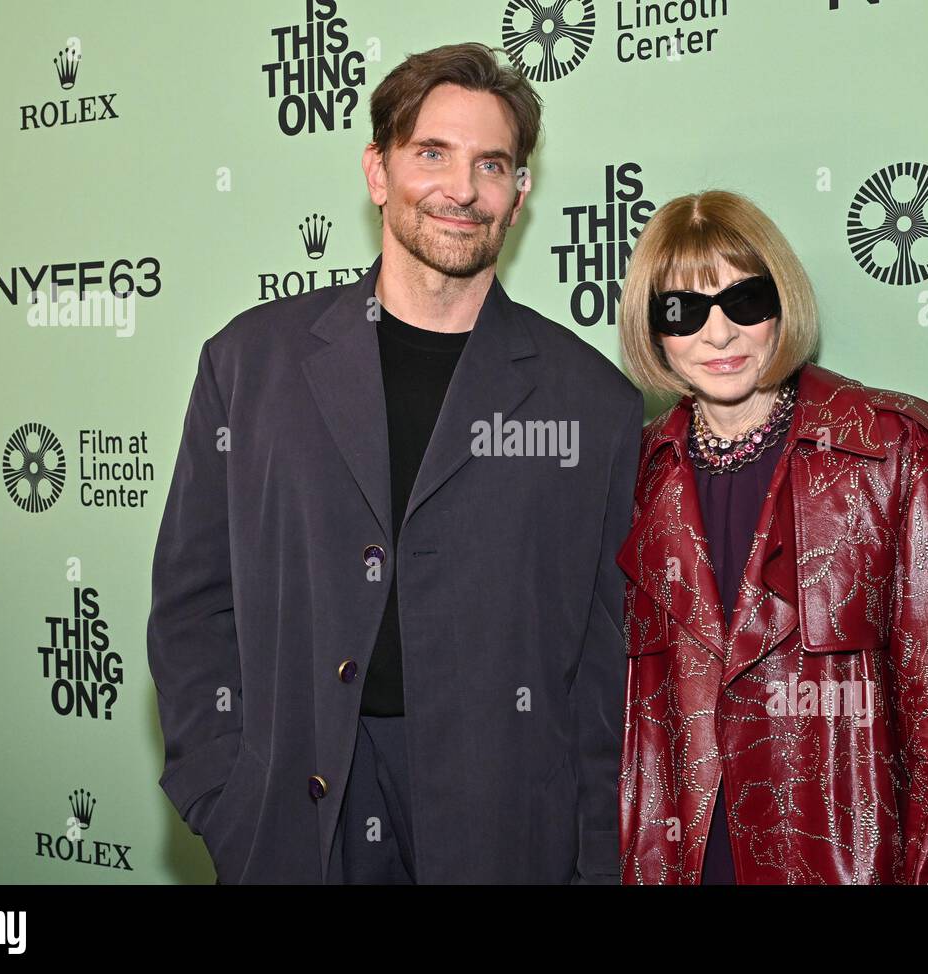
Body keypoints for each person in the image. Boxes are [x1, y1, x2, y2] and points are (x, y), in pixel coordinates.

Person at [146, 42, 642, 884]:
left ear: (518, 196)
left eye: (492, 164)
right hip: (297, 814)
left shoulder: (591, 400)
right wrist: (224, 793)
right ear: (378, 172)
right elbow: (193, 607)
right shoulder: (249, 364)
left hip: (502, 825)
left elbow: (607, 662)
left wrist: (591, 846)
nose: (461, 189)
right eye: (432, 154)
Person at [615, 190, 928, 884]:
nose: (719, 334)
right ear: (654, 330)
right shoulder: (636, 478)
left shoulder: (892, 455)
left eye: (745, 301)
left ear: (783, 303)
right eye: (684, 310)